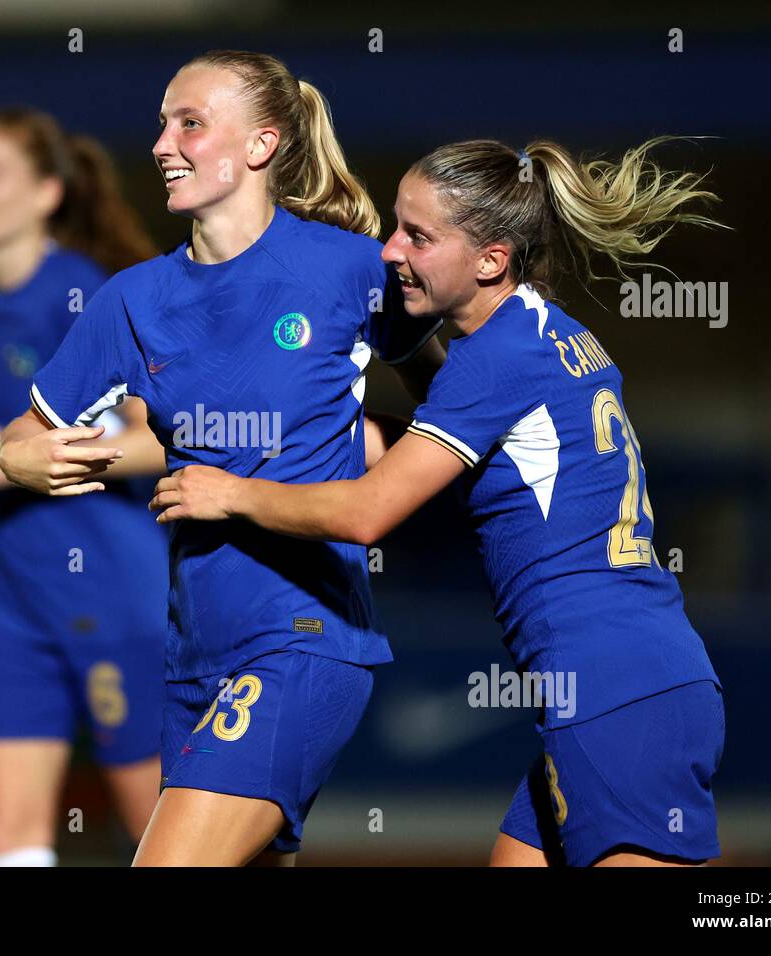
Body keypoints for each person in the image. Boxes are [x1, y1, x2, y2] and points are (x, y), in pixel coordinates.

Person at [149, 137, 726, 867]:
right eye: (395, 225)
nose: (391, 251)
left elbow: (367, 513)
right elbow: (426, 436)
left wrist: (231, 492)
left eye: (418, 236)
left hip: (620, 694)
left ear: (490, 260)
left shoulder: (493, 363)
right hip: (627, 681)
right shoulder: (551, 335)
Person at [0, 51, 445, 866]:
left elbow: (448, 403)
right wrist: (19, 461)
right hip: (191, 659)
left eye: (190, 124)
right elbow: (22, 435)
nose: (163, 143)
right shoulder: (131, 301)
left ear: (262, 145)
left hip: (304, 638)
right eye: (163, 123)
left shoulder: (349, 269)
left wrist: (379, 443)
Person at [0, 107, 169, 866]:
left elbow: (161, 437)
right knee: (6, 846)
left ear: (47, 192)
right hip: (3, 588)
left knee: (165, 840)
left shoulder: (90, 297)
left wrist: (21, 461)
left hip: (109, 585)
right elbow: (8, 433)